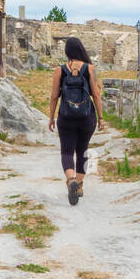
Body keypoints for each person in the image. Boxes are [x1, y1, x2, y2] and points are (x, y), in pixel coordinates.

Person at [48, 36, 104, 205]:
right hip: (87, 117)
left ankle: (70, 180)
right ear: (81, 50)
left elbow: (53, 96)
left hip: (66, 117)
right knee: (82, 151)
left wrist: (51, 117)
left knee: (66, 151)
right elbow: (96, 95)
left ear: (67, 51)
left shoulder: (60, 70)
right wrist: (101, 117)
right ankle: (79, 185)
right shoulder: (90, 69)